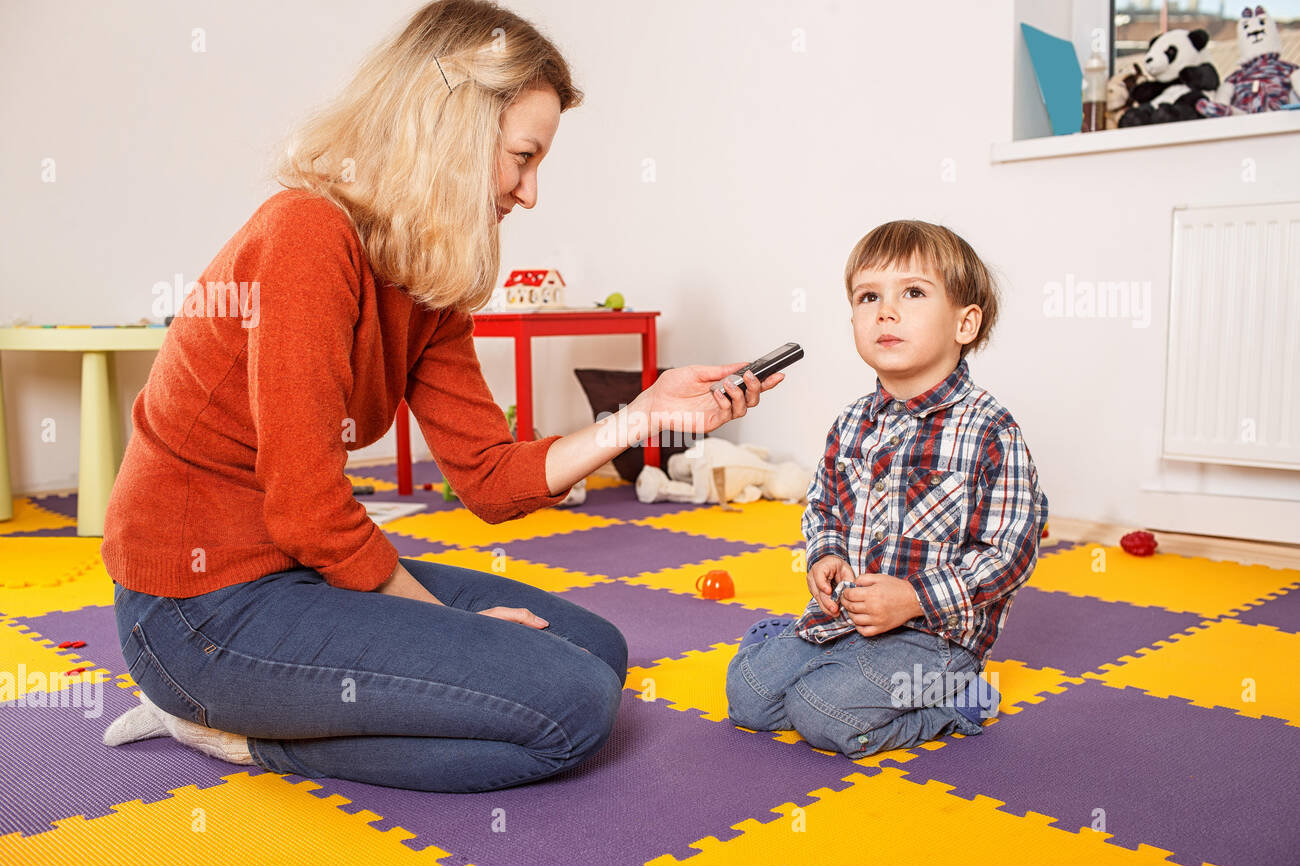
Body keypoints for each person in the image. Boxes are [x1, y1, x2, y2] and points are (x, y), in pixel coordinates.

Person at [100, 0, 783, 793]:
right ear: (452, 129)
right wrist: (441, 621)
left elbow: (489, 478)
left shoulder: (429, 278)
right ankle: (227, 731)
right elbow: (305, 506)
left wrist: (644, 414)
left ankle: (286, 710)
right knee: (571, 707)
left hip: (300, 574)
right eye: (523, 158)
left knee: (595, 651)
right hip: (197, 613)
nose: (530, 194)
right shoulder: (308, 235)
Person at [725, 220, 1048, 759]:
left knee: (825, 713)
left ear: (965, 323)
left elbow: (1011, 555)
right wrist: (824, 554)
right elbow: (823, 506)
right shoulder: (852, 421)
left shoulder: (991, 429)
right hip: (845, 619)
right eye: (868, 295)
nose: (885, 311)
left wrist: (913, 598)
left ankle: (959, 699)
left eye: (913, 293)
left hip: (934, 640)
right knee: (747, 698)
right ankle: (812, 653)